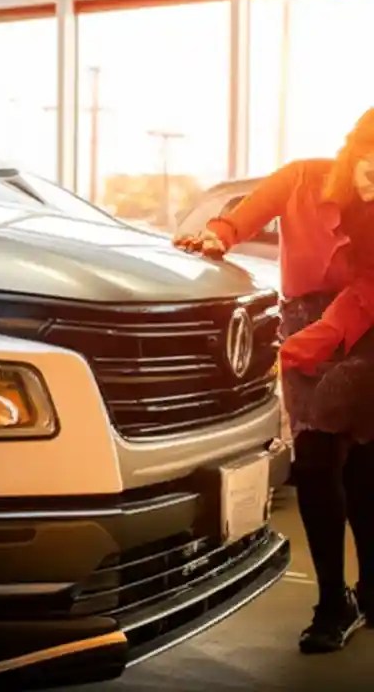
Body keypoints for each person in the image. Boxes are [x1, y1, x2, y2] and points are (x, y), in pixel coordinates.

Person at [174, 108, 374, 654]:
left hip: (361, 333)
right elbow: (247, 212)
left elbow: (361, 298)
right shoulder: (303, 177)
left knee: (359, 466)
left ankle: (363, 594)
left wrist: (302, 346)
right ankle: (336, 601)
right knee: (317, 462)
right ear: (353, 150)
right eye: (370, 170)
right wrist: (218, 236)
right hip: (304, 321)